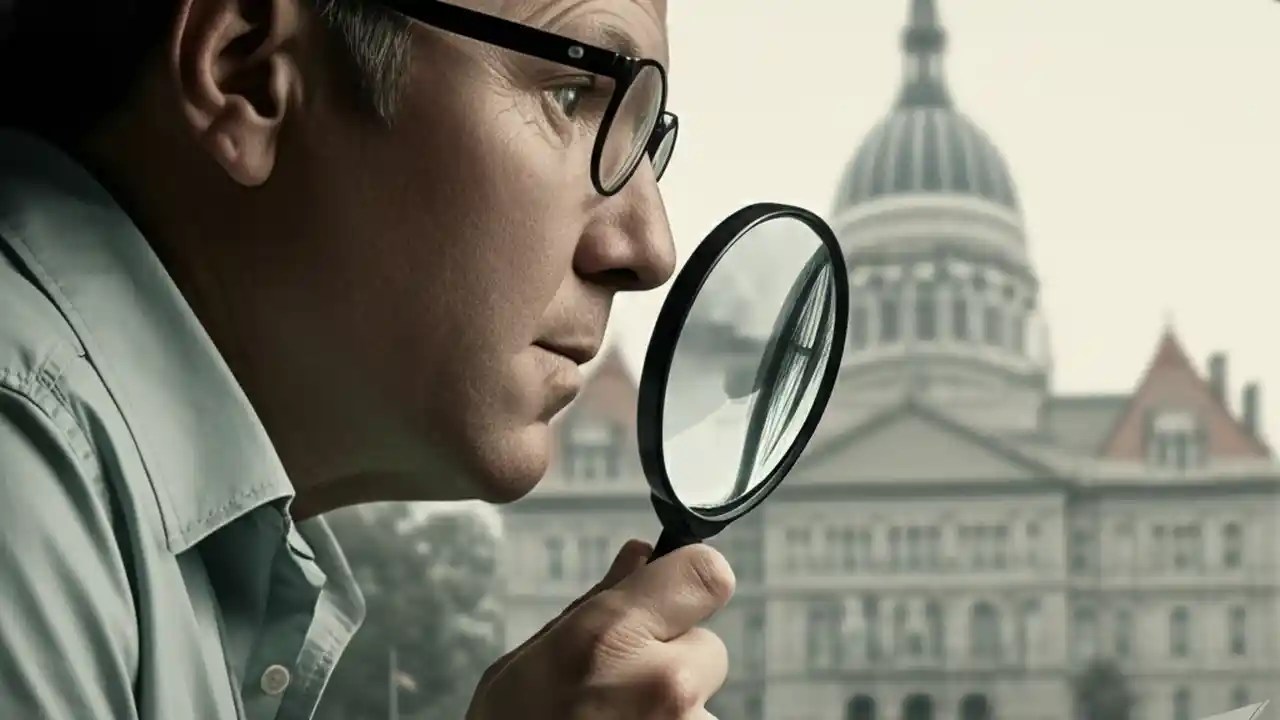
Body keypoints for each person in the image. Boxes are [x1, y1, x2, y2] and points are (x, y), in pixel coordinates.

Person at [0, 0, 736, 718]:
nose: (648, 249)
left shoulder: (150, 530)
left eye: (644, 138)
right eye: (572, 96)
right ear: (247, 75)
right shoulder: (22, 483)